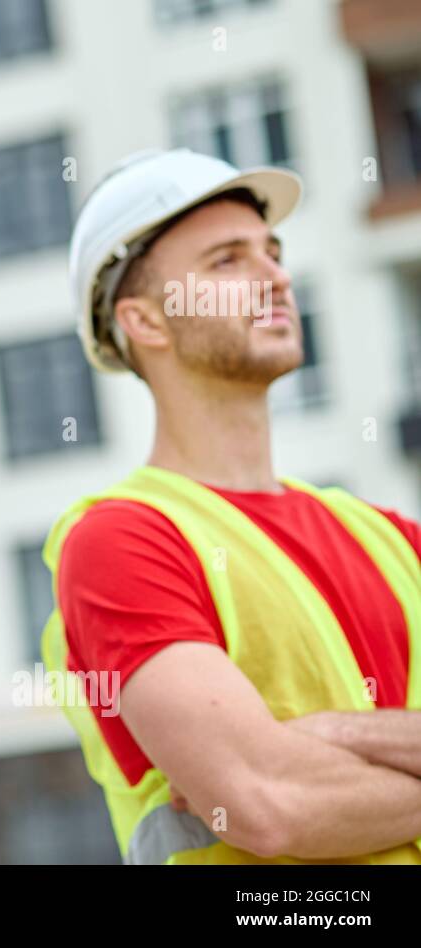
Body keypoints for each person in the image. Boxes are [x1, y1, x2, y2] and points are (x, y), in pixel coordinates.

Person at [44, 147, 421, 864]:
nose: (276, 277)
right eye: (227, 261)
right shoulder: (120, 541)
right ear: (146, 322)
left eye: (271, 252)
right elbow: (269, 805)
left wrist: (332, 734)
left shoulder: (391, 539)